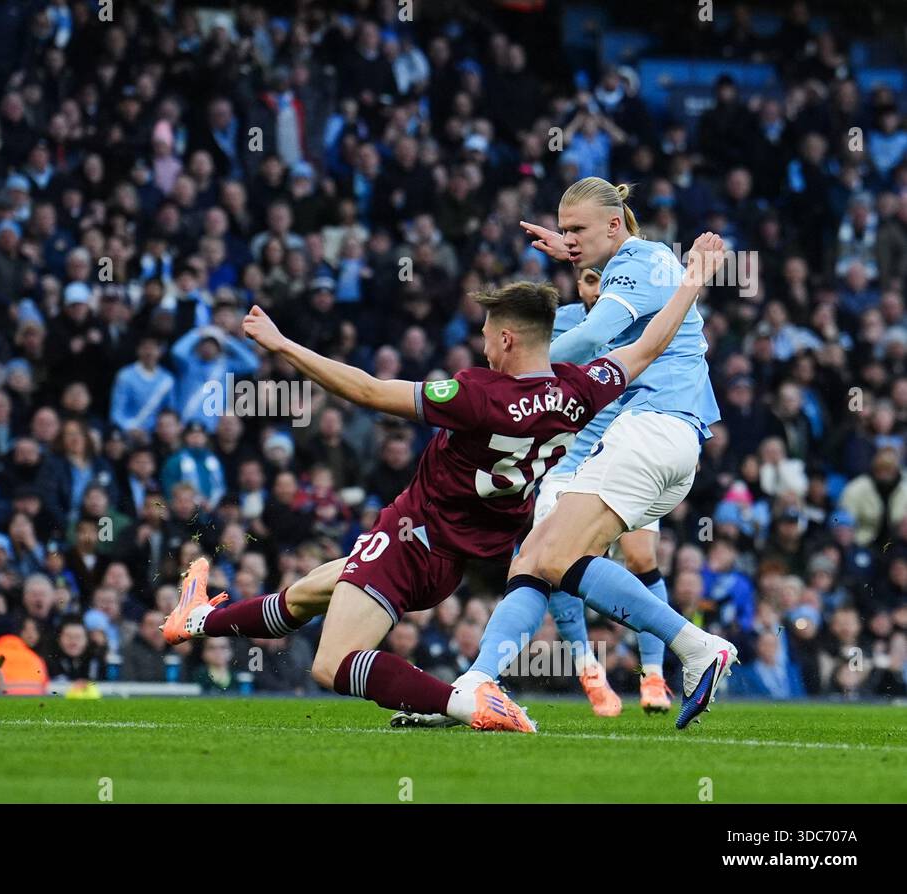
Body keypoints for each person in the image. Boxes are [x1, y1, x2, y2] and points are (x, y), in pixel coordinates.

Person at [162, 231, 724, 731]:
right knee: (313, 589)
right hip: (453, 558)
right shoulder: (581, 388)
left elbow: (364, 388)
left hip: (413, 534)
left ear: (506, 339)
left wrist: (283, 346)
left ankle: (465, 702)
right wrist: (692, 281)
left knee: (331, 663)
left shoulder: (476, 396)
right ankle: (197, 619)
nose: (479, 343)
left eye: (485, 332)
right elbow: (648, 346)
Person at [454, 180, 736, 730]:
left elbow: (589, 341)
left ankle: (697, 647)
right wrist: (577, 251)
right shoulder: (633, 262)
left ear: (614, 226)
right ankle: (478, 682)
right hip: (658, 438)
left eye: (577, 229)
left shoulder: (642, 260)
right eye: (563, 231)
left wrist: (506, 382)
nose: (568, 239)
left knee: (554, 559)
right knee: (536, 560)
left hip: (650, 431)